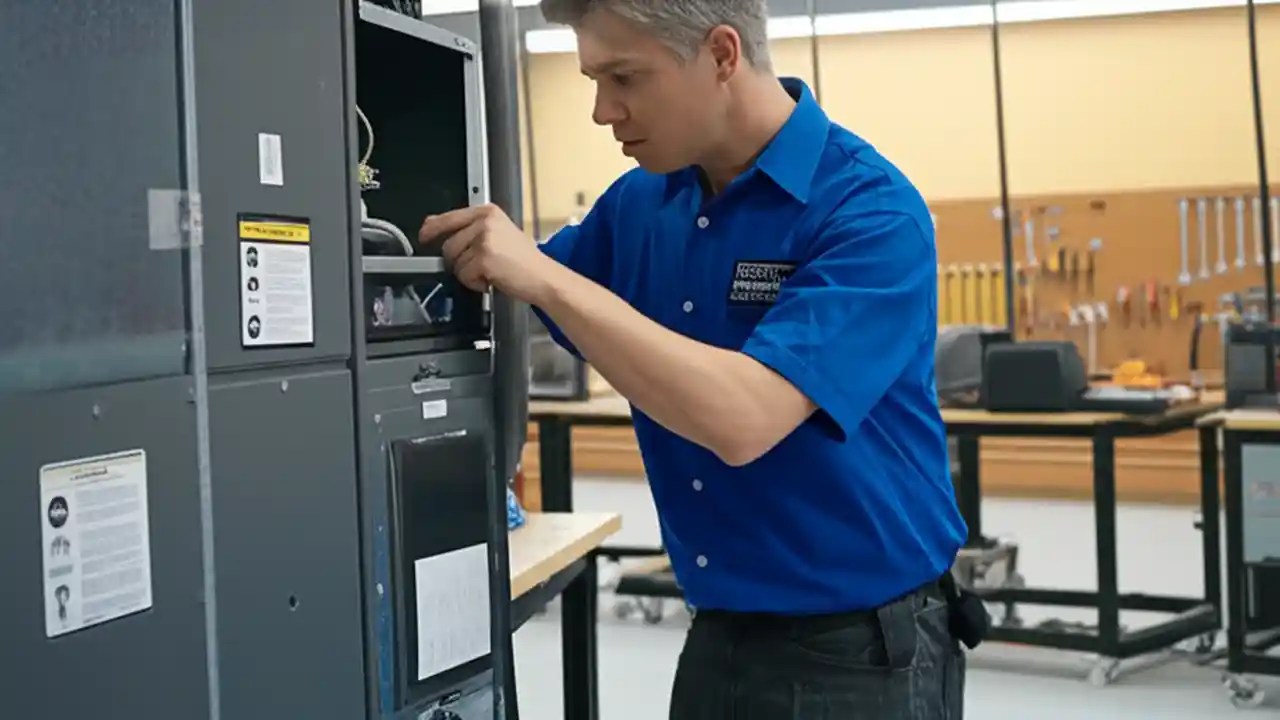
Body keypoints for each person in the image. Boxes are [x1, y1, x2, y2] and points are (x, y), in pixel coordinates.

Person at [418, 0, 971, 716]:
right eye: (593, 79)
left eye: (624, 77)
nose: (602, 111)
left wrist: (544, 275)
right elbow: (523, 284)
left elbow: (743, 418)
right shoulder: (643, 204)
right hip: (721, 630)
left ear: (721, 54)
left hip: (861, 654)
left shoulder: (870, 213)